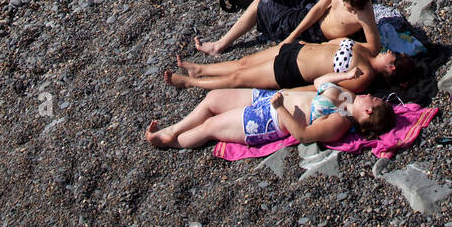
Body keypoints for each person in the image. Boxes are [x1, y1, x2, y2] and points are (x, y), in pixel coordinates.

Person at [146, 80, 396, 150]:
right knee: (212, 99)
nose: (370, 95)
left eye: (372, 98)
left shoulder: (341, 123)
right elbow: (320, 82)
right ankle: (173, 129)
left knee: (210, 126)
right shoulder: (347, 99)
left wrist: (280, 109)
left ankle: (171, 141)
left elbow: (304, 135)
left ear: (368, 110)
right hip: (271, 99)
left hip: (270, 119)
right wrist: (343, 77)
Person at [194, 0, 380, 56]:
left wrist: (340, 43)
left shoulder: (364, 12)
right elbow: (319, 7)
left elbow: (373, 47)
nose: (352, 11)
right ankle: (276, 28)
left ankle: (219, 45)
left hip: (316, 32)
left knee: (258, 4)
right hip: (310, 7)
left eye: (354, 10)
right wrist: (293, 34)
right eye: (349, 7)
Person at [165, 35, 416, 94]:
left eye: (392, 55)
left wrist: (289, 93)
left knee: (238, 79)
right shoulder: (364, 48)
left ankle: (190, 82)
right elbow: (329, 43)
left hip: (292, 71)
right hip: (296, 49)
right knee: (241, 63)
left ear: (391, 67)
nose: (387, 51)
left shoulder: (364, 77)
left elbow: (323, 88)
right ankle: (200, 69)